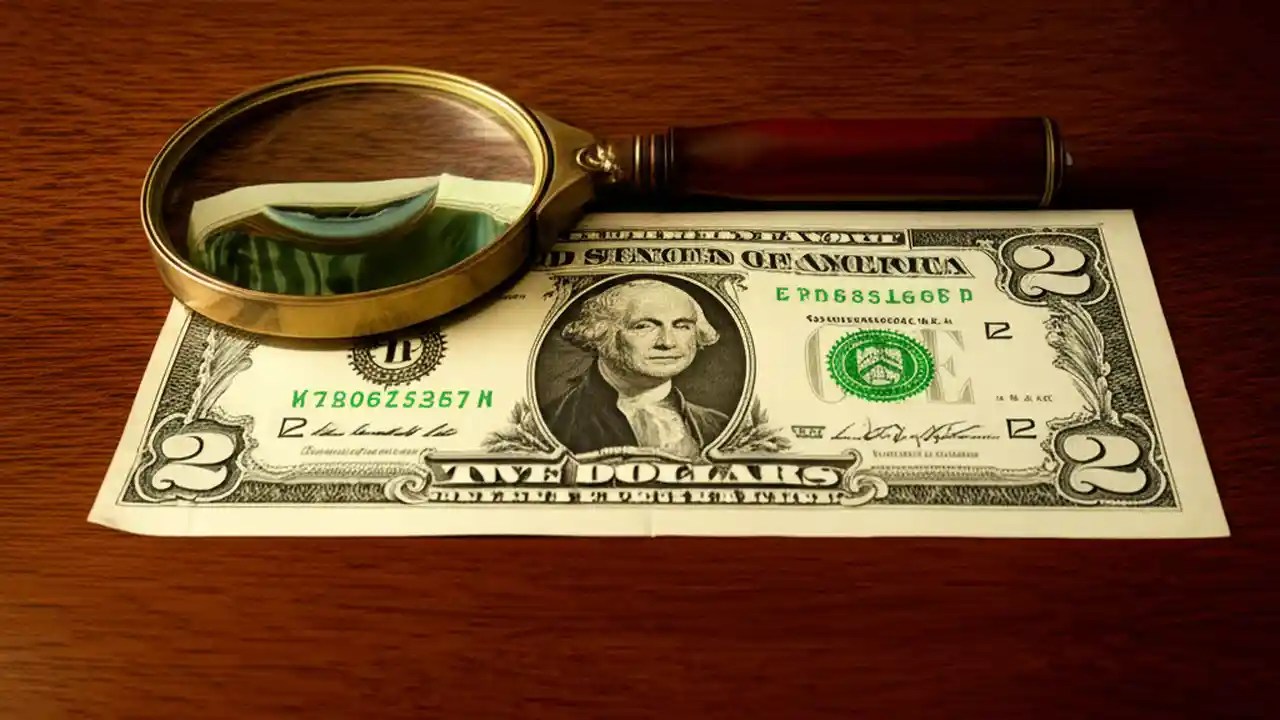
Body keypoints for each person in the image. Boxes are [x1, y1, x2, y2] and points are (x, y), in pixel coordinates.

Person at [540, 278, 731, 458]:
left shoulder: (717, 425)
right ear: (600, 334)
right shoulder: (553, 422)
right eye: (644, 326)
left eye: (682, 326)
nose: (667, 342)